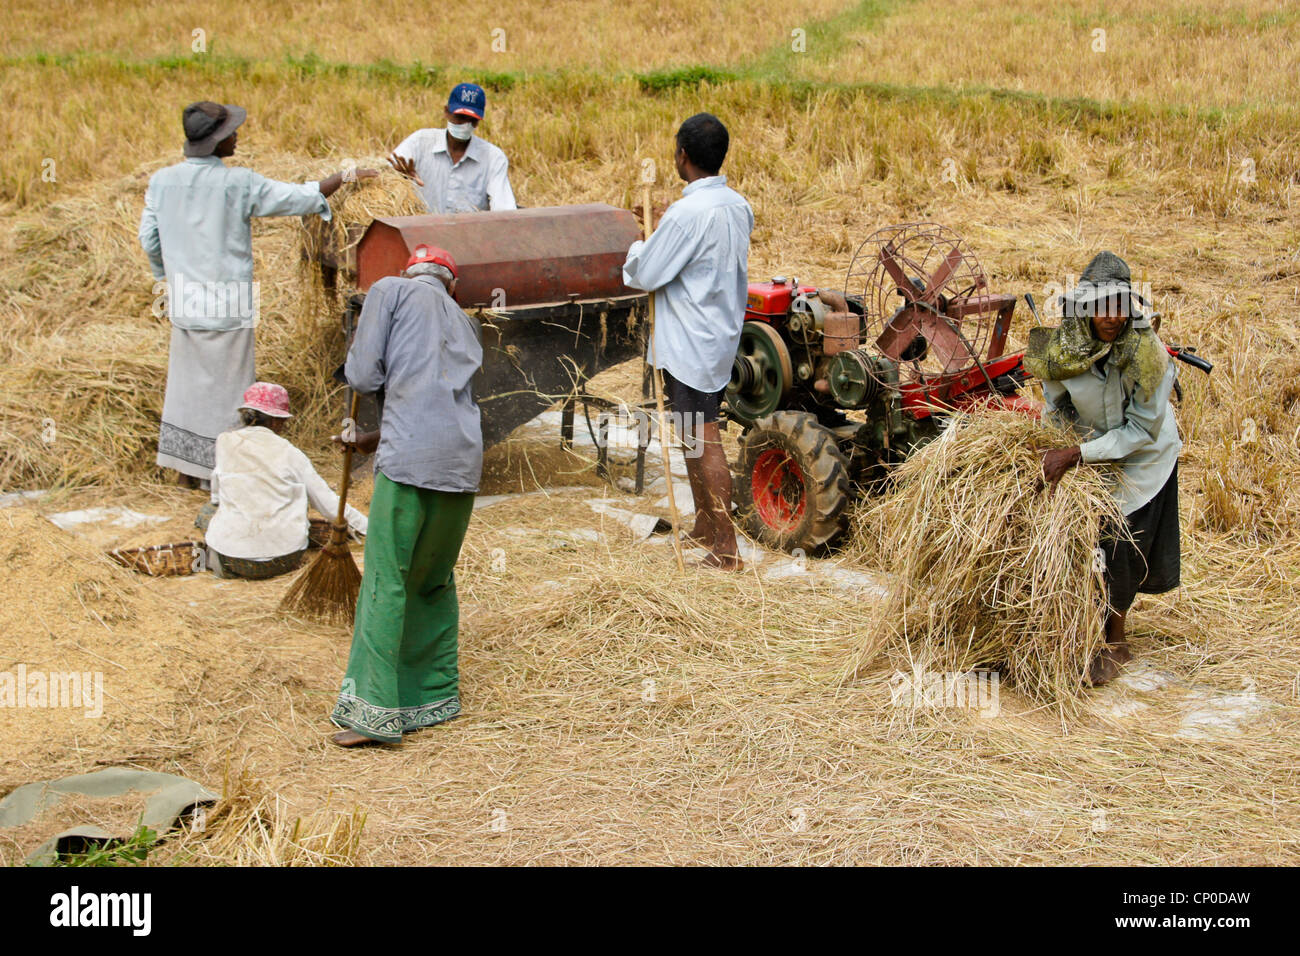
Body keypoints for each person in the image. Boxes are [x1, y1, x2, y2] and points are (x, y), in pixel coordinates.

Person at [139, 101, 377, 489]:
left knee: (188, 391)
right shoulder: (238, 183)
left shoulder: (162, 182)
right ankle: (224, 475)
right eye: (231, 132)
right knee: (229, 393)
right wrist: (346, 177)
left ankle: (187, 474)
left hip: (185, 303)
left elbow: (148, 239)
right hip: (228, 306)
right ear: (217, 143)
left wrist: (167, 275)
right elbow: (299, 197)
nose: (237, 136)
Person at [329, 244, 484, 747]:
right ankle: (430, 701)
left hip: (409, 465)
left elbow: (364, 375)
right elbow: (437, 396)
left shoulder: (388, 291)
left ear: (408, 273)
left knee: (385, 582)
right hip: (461, 465)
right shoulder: (466, 322)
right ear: (451, 285)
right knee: (431, 582)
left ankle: (372, 714)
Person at [1027, 251, 1182, 685]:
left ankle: (1117, 641)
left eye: (1119, 305)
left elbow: (1140, 430)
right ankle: (1080, 622)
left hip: (1145, 458)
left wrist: (1075, 455)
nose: (1111, 317)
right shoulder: (1060, 349)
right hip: (1091, 446)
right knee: (1087, 540)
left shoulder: (1148, 354)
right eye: (1101, 306)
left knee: (1121, 545)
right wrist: (1057, 442)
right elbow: (1055, 406)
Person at [622, 112, 754, 571]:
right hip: (717, 335)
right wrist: (663, 233)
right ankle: (704, 523)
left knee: (702, 436)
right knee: (693, 433)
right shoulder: (737, 205)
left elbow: (646, 273)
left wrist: (642, 244)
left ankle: (726, 548)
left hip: (690, 343)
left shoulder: (686, 214)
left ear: (682, 155)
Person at [196, 382, 368, 579]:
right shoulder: (290, 453)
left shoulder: (224, 442)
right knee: (296, 503)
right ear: (276, 421)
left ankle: (209, 559)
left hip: (232, 561)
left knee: (208, 512)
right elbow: (329, 505)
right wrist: (368, 527)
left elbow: (217, 494)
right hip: (284, 560)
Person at [386, 82, 517, 214]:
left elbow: (504, 210)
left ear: (478, 122)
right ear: (446, 112)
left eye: (471, 120)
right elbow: (384, 177)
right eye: (460, 117)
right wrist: (401, 179)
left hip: (470, 232)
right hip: (421, 231)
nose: (465, 125)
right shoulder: (420, 142)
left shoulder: (493, 158)